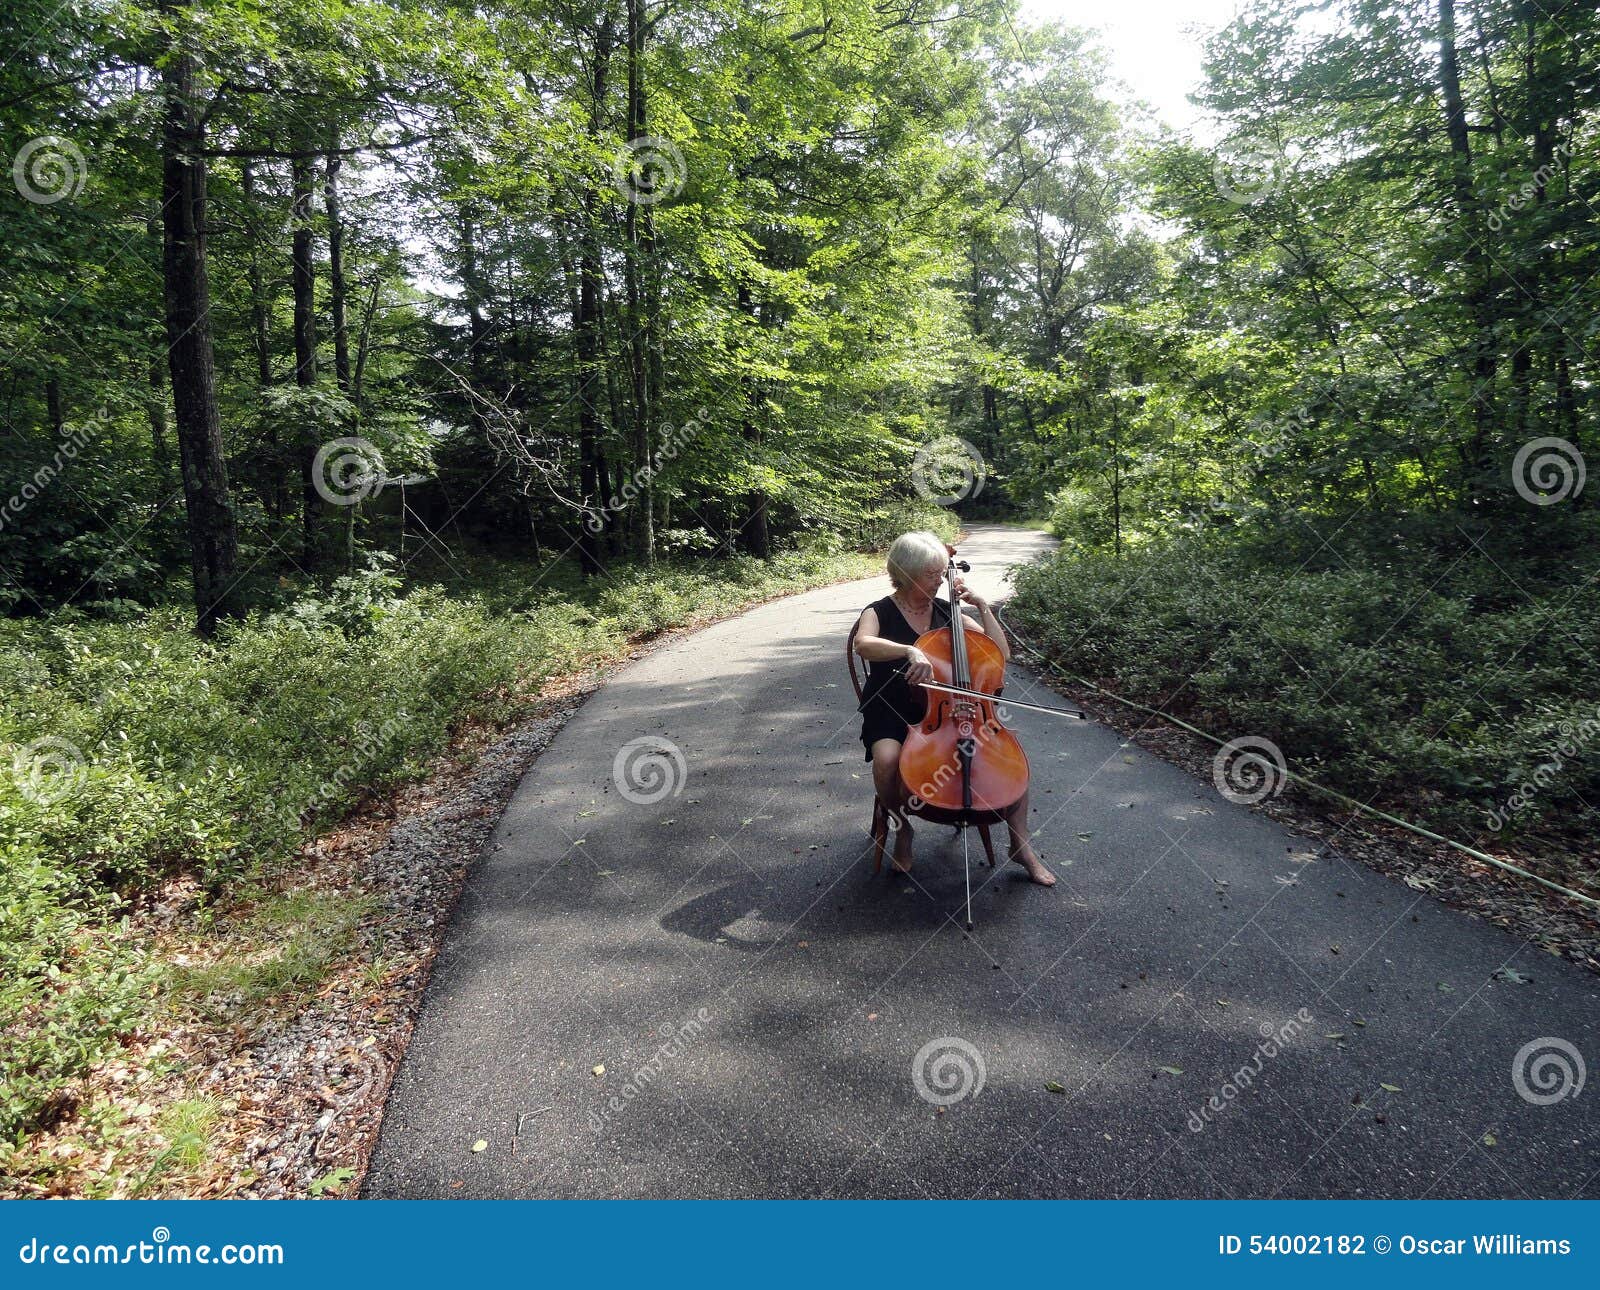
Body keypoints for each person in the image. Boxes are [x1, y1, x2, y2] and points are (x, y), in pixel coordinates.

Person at [852, 530, 1055, 885]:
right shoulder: (880, 610)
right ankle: (902, 829)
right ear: (906, 571)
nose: (940, 580)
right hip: (892, 708)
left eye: (941, 572)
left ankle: (1020, 845)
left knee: (1008, 756)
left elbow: (999, 653)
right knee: (886, 761)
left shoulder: (948, 612)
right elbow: (863, 644)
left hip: (950, 711)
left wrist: (983, 607)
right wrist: (909, 649)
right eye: (932, 573)